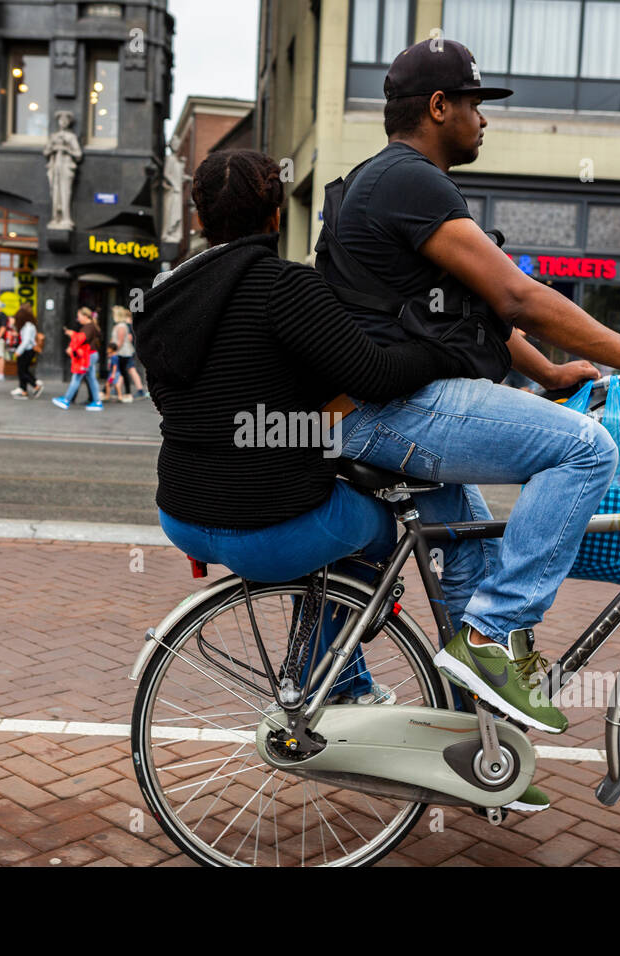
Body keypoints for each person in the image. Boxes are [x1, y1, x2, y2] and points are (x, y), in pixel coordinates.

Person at [313, 39, 620, 762]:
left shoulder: (377, 183)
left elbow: (468, 319)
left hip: (367, 409)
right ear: (439, 107)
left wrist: (556, 374)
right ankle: (493, 639)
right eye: (474, 104)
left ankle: (482, 757)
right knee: (581, 447)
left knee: (467, 560)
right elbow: (518, 295)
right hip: (391, 409)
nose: (482, 120)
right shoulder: (412, 181)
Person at [137, 149, 479, 715]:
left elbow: (199, 399)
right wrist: (443, 352)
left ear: (200, 218)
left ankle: (339, 667)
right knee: (373, 527)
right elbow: (374, 375)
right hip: (267, 530)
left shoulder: (159, 298)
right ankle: (333, 676)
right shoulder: (286, 286)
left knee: (321, 516)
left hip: (182, 514)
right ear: (276, 213)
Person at [52, 307, 103, 410]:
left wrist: (72, 337)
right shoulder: (91, 326)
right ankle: (97, 402)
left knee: (77, 377)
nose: (77, 319)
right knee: (91, 378)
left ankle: (66, 400)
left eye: (79, 316)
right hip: (91, 355)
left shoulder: (89, 327)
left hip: (87, 356)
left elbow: (81, 339)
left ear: (85, 316)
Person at [110, 304, 148, 400]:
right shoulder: (129, 324)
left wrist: (114, 350)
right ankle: (136, 390)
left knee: (127, 370)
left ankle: (138, 390)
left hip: (125, 351)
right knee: (127, 369)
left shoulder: (125, 325)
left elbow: (127, 339)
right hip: (128, 350)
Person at [10, 305, 41, 398]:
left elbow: (26, 341)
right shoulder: (26, 325)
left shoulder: (28, 326)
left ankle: (35, 385)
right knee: (22, 370)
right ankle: (23, 389)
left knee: (22, 371)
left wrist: (19, 351)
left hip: (27, 350)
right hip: (26, 350)